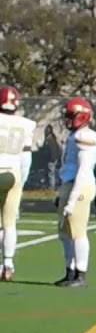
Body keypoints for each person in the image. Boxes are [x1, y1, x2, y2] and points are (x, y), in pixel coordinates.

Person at [55, 97, 96, 288]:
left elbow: (83, 170)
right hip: (69, 184)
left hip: (80, 185)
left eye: (71, 116)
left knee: (77, 231)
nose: (67, 120)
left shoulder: (86, 136)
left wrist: (72, 199)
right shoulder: (75, 135)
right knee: (64, 232)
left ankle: (81, 273)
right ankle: (70, 270)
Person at [0, 86, 35, 281]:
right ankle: (8, 264)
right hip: (14, 173)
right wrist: (21, 183)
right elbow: (26, 159)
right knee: (9, 223)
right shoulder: (26, 124)